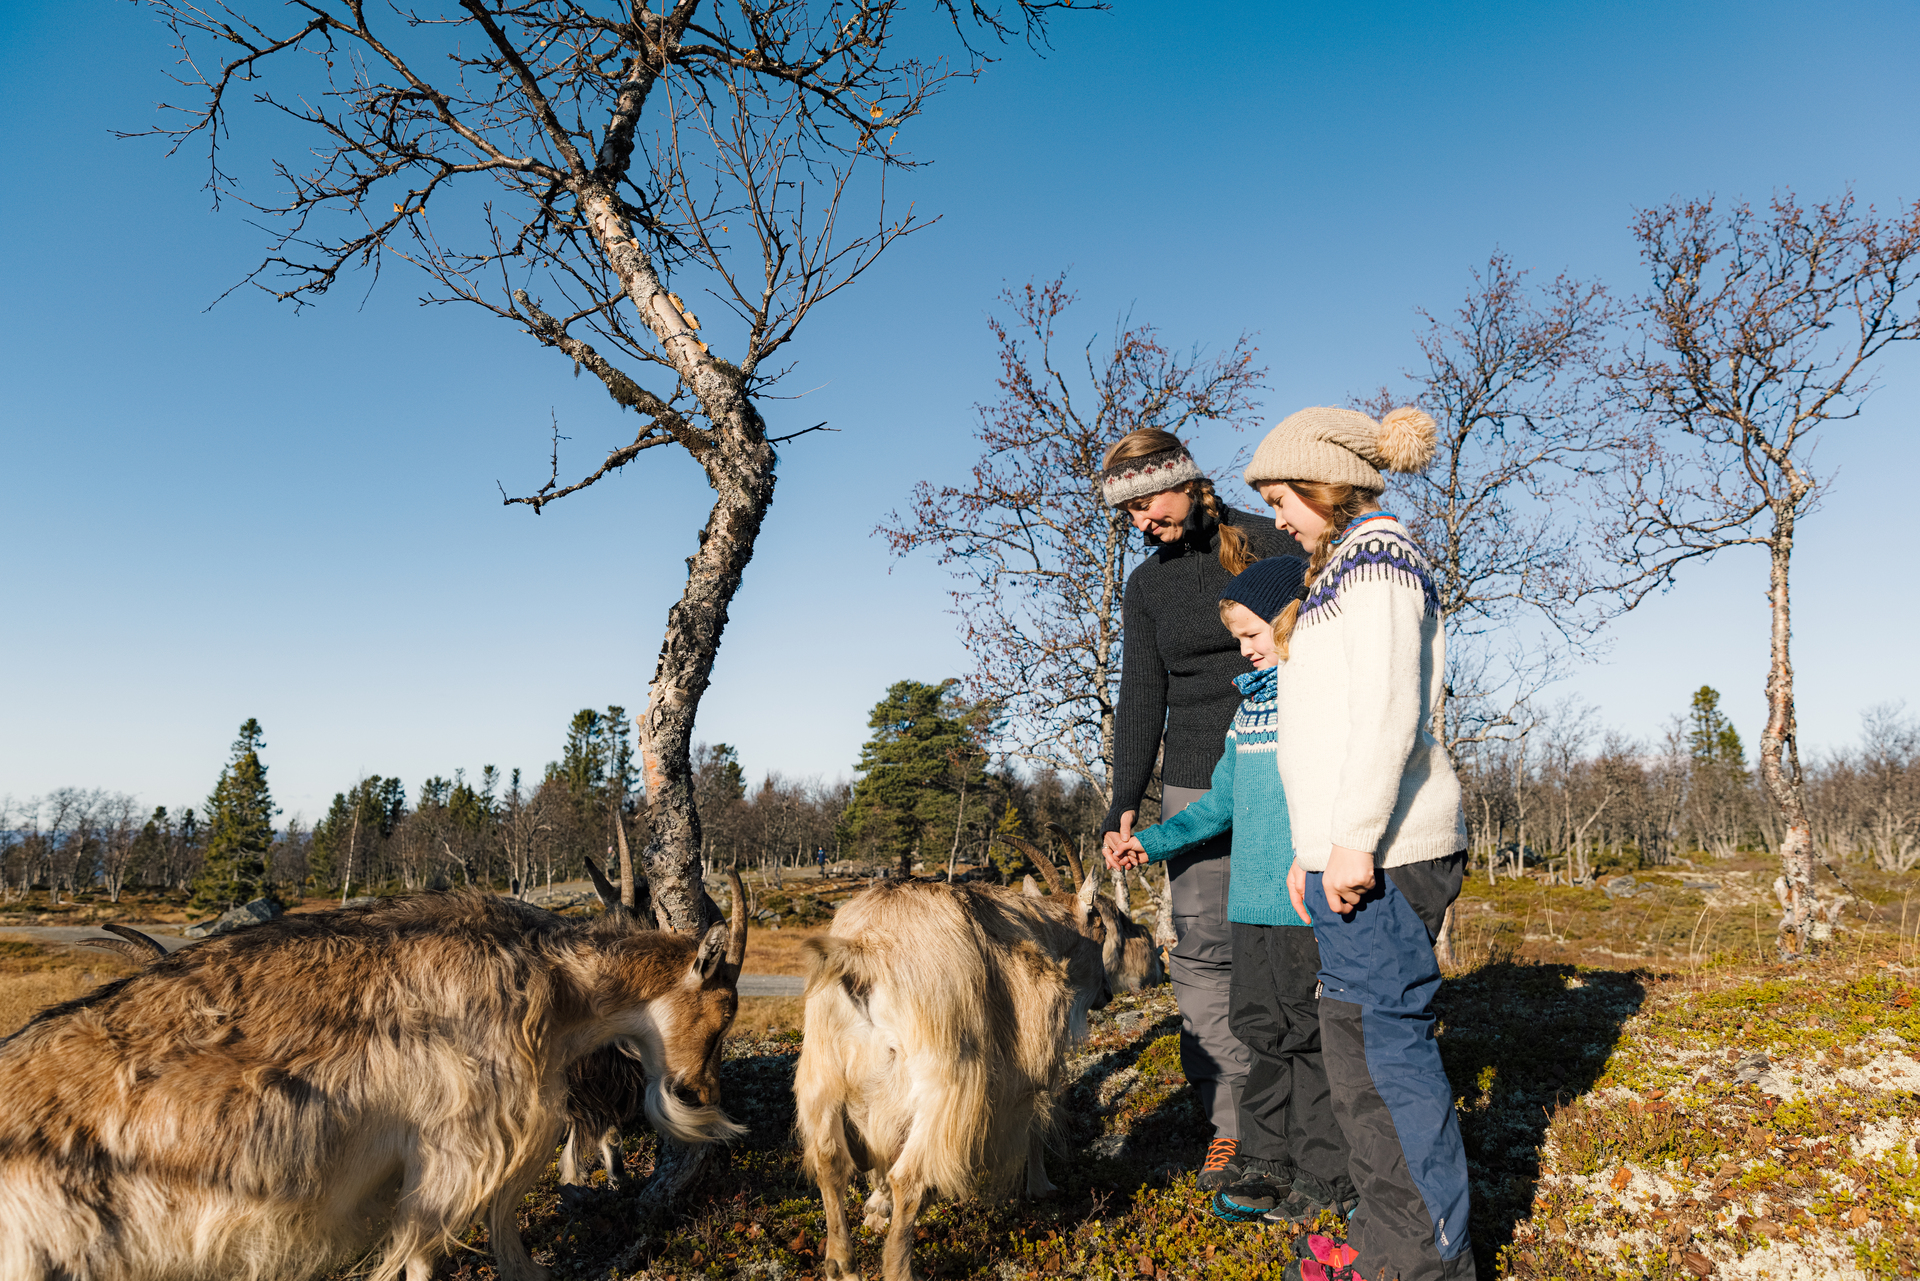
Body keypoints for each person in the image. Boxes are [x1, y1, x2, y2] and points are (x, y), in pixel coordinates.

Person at [1242, 405, 1475, 1281]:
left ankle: (1424, 1266)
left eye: (1282, 496)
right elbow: (1322, 727)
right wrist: (1312, 850)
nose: (1276, 516)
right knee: (1356, 1059)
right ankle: (1390, 1248)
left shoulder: (1380, 557)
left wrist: (1350, 841)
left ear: (1328, 483)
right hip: (1346, 852)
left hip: (1383, 847)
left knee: (1384, 1068)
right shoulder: (1342, 566)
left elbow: (1386, 710)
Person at [1106, 556, 1355, 1227]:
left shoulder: (1325, 703)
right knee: (1260, 1033)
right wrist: (1150, 841)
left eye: (1252, 636)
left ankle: (1325, 1168)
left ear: (1291, 621)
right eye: (1239, 637)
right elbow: (1218, 803)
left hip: (1306, 910)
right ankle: (1267, 1157)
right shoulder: (1249, 713)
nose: (1241, 650)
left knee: (1308, 1037)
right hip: (1249, 909)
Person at [1097, 427, 1304, 1190]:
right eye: (1128, 515)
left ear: (1185, 480)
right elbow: (1141, 695)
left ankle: (1305, 1109)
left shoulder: (1269, 539)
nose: (1141, 523)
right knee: (1206, 948)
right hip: (1194, 779)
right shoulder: (1146, 586)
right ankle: (1230, 1122)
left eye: (1146, 503)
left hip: (1287, 766)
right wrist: (1125, 799)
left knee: (1292, 940)